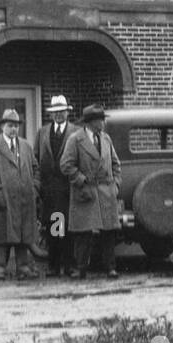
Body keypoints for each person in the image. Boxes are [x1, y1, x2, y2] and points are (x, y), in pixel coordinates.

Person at [58, 104, 121, 279]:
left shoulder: (106, 139)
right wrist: (80, 179)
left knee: (109, 232)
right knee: (82, 233)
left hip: (107, 192)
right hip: (85, 191)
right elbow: (65, 165)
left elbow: (116, 164)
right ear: (90, 122)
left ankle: (110, 267)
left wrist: (116, 185)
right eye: (100, 119)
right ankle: (80, 268)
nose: (103, 122)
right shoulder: (75, 139)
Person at [0, 109, 41, 279]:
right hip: (3, 198)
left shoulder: (26, 146)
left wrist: (34, 188)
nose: (13, 129)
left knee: (23, 235)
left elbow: (36, 169)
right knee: (0, 236)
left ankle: (23, 268)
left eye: (16, 126)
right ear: (2, 127)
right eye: (10, 126)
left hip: (24, 199)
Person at [35, 94, 74, 277]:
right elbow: (36, 159)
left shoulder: (75, 132)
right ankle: (53, 266)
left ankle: (68, 265)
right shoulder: (42, 132)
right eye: (55, 112)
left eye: (62, 112)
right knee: (52, 228)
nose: (58, 115)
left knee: (67, 229)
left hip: (68, 189)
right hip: (49, 191)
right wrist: (39, 185)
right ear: (51, 114)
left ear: (67, 112)